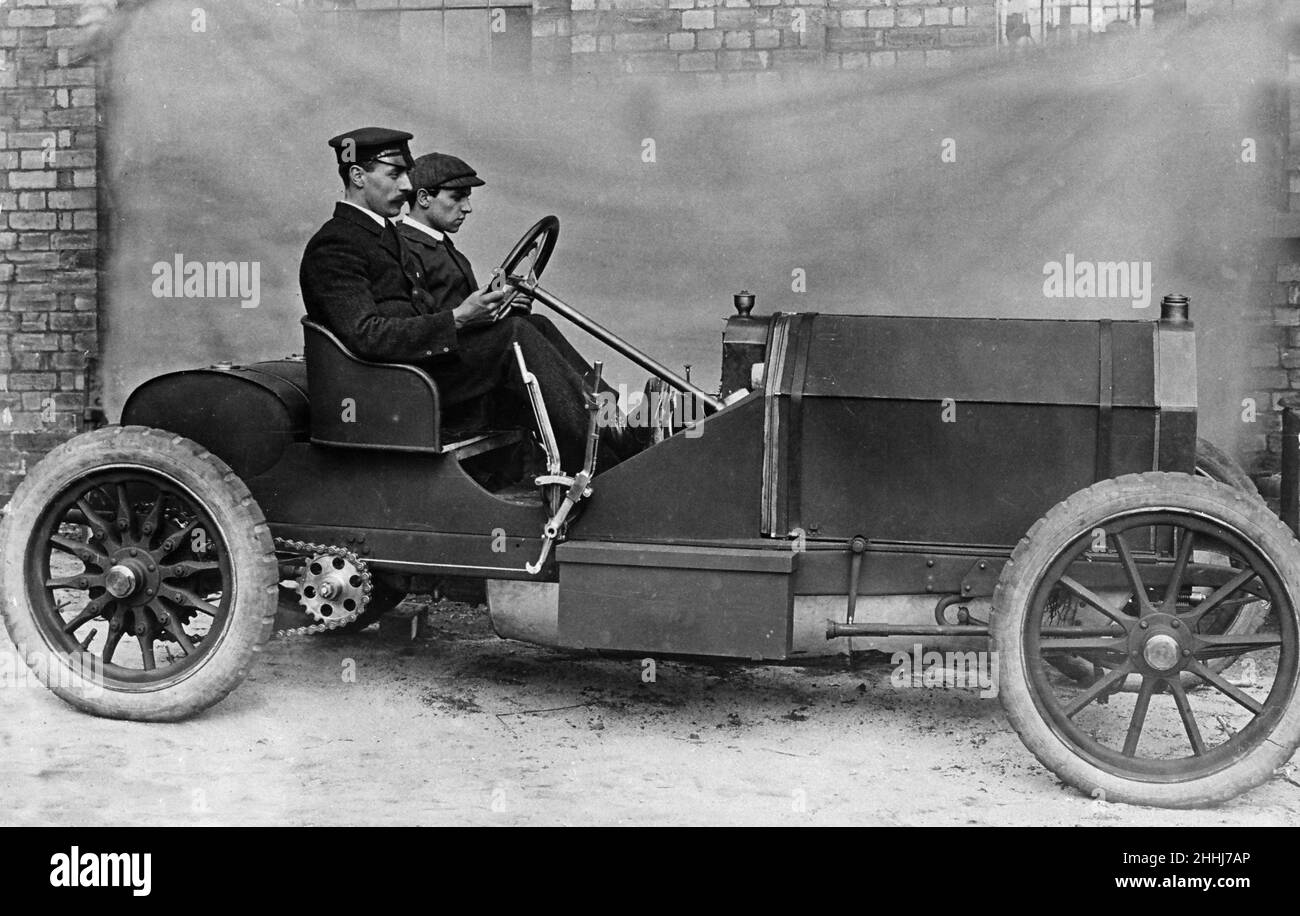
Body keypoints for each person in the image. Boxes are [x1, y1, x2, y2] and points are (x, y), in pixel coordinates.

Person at [397, 151, 642, 471]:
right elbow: (423, 324)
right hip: (433, 375)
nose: (467, 208)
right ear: (424, 198)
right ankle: (599, 437)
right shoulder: (404, 249)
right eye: (456, 198)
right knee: (517, 334)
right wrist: (477, 315)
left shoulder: (444, 249)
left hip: (462, 362)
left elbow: (465, 316)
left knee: (533, 322)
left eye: (467, 198)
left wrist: (503, 307)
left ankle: (610, 419)